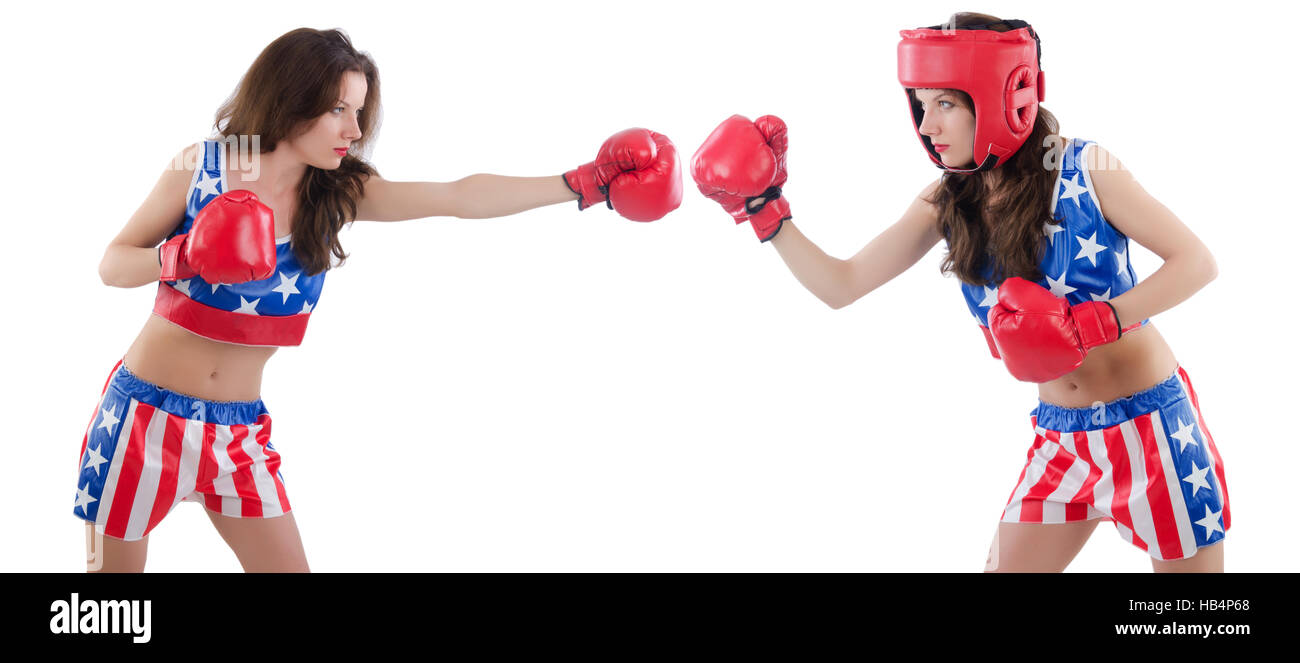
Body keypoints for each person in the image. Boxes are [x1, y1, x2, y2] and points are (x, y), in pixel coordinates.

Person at [78, 27, 682, 572]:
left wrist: (580, 185)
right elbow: (112, 264)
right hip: (142, 420)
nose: (354, 129)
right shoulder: (206, 165)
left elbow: (456, 196)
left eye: (359, 110)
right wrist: (180, 256)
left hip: (236, 433)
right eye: (338, 108)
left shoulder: (336, 195)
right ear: (292, 97)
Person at [690, 13, 1229, 572]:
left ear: (1004, 97)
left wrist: (1096, 321)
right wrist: (764, 210)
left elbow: (1196, 262)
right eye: (920, 105)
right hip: (1063, 439)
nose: (927, 125)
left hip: (1152, 430)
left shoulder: (1084, 167)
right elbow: (841, 285)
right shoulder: (945, 203)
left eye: (945, 104)